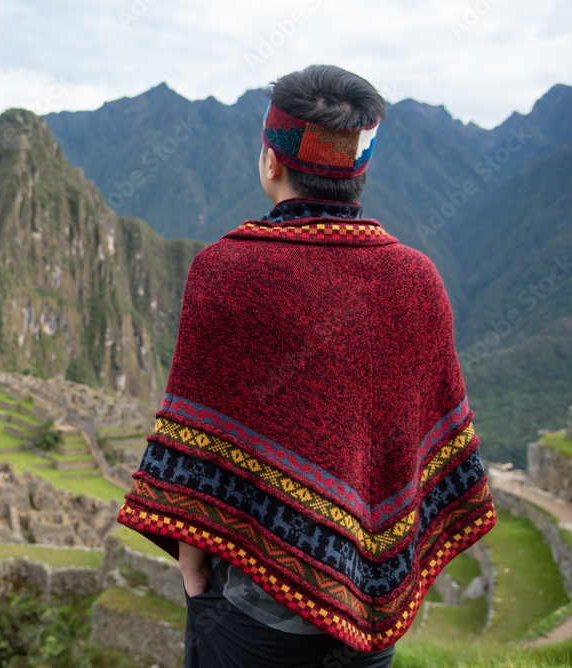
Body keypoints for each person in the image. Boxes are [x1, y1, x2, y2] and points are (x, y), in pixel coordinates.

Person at [116, 64, 495, 667]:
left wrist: (194, 572)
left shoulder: (224, 271)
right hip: (370, 623)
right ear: (359, 168)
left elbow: (196, 449)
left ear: (272, 158)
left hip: (250, 619)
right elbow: (421, 442)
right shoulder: (417, 282)